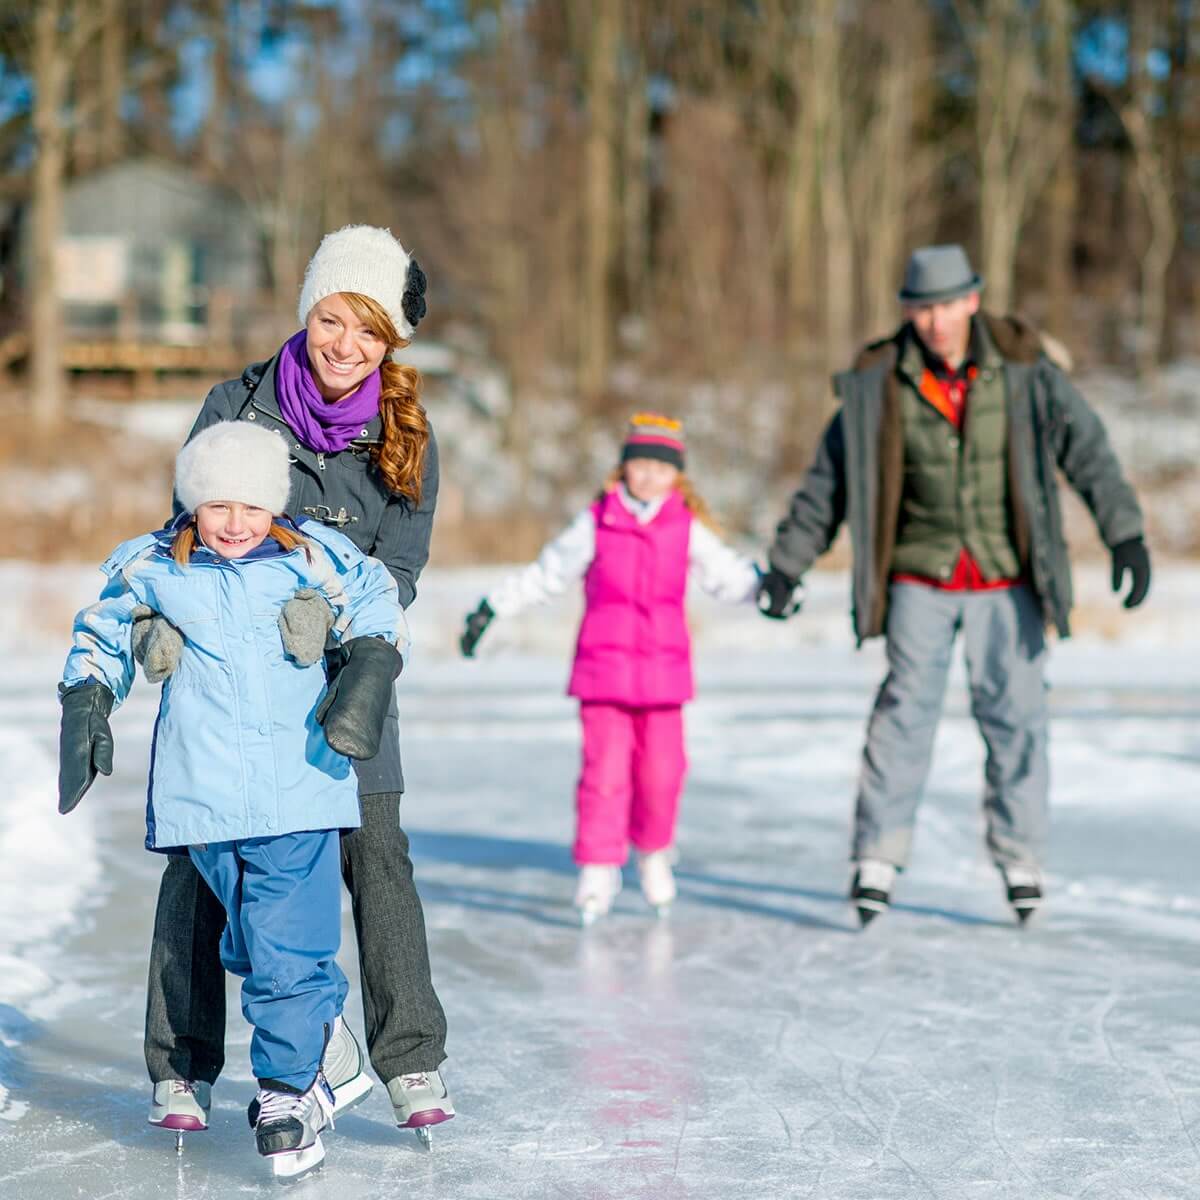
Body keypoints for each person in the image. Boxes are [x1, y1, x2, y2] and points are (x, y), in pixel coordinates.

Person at [134, 225, 453, 1143]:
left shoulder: (409, 437)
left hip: (347, 677)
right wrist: (156, 623)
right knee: (201, 856)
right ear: (305, 311)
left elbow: (398, 572)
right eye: (329, 318)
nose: (343, 345)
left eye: (368, 329)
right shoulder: (235, 404)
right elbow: (181, 532)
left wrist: (355, 652)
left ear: (391, 342)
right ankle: (181, 1065)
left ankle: (407, 1054)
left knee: (376, 847)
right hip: (229, 678)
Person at [758, 244, 1150, 926]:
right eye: (921, 308)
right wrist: (789, 563)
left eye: (945, 306)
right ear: (908, 311)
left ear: (972, 300)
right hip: (920, 570)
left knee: (1018, 715)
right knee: (904, 711)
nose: (935, 321)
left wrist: (1126, 535)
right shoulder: (879, 382)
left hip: (1009, 574)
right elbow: (829, 482)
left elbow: (1088, 451)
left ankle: (1021, 858)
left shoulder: (1027, 373)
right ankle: (877, 855)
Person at [59, 421, 406, 1179]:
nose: (236, 523)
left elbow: (377, 596)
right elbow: (104, 633)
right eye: (218, 507)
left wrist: (369, 665)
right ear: (192, 503)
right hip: (205, 797)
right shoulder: (155, 566)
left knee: (286, 947)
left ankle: (286, 1095)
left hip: (299, 786)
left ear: (274, 505)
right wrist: (86, 698)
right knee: (251, 947)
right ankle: (329, 1049)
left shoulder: (310, 556)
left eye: (251, 507)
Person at [459, 414, 761, 923]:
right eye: (639, 464)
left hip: (664, 677)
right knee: (604, 775)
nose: (648, 476)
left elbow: (730, 578)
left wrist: (771, 590)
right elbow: (547, 573)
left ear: (676, 475)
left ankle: (654, 853)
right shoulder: (597, 521)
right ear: (624, 467)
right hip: (603, 674)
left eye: (659, 468)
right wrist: (493, 606)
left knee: (663, 775)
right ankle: (599, 871)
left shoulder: (686, 525)